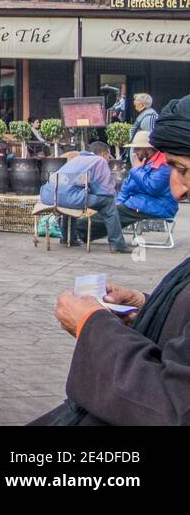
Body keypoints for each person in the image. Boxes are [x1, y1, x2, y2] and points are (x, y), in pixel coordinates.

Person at [33, 95, 190, 425]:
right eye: (174, 168)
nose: (178, 189)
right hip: (114, 203)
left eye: (183, 169)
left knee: (109, 211)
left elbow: (173, 410)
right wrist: (148, 307)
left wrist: (94, 327)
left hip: (126, 206)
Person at [38, 141, 130, 253]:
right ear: (103, 154)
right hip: (68, 196)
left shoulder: (77, 158)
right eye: (108, 156)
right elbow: (107, 190)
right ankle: (117, 244)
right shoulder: (99, 160)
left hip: (51, 195)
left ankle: (68, 238)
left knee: (72, 201)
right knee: (108, 203)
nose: (109, 160)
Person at [115, 131, 177, 227]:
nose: (135, 152)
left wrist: (136, 170)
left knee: (111, 216)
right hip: (143, 202)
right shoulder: (143, 163)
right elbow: (127, 186)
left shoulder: (164, 164)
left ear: (148, 149)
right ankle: (84, 230)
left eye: (138, 149)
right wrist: (118, 202)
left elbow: (153, 188)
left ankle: (84, 230)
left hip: (161, 206)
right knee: (110, 212)